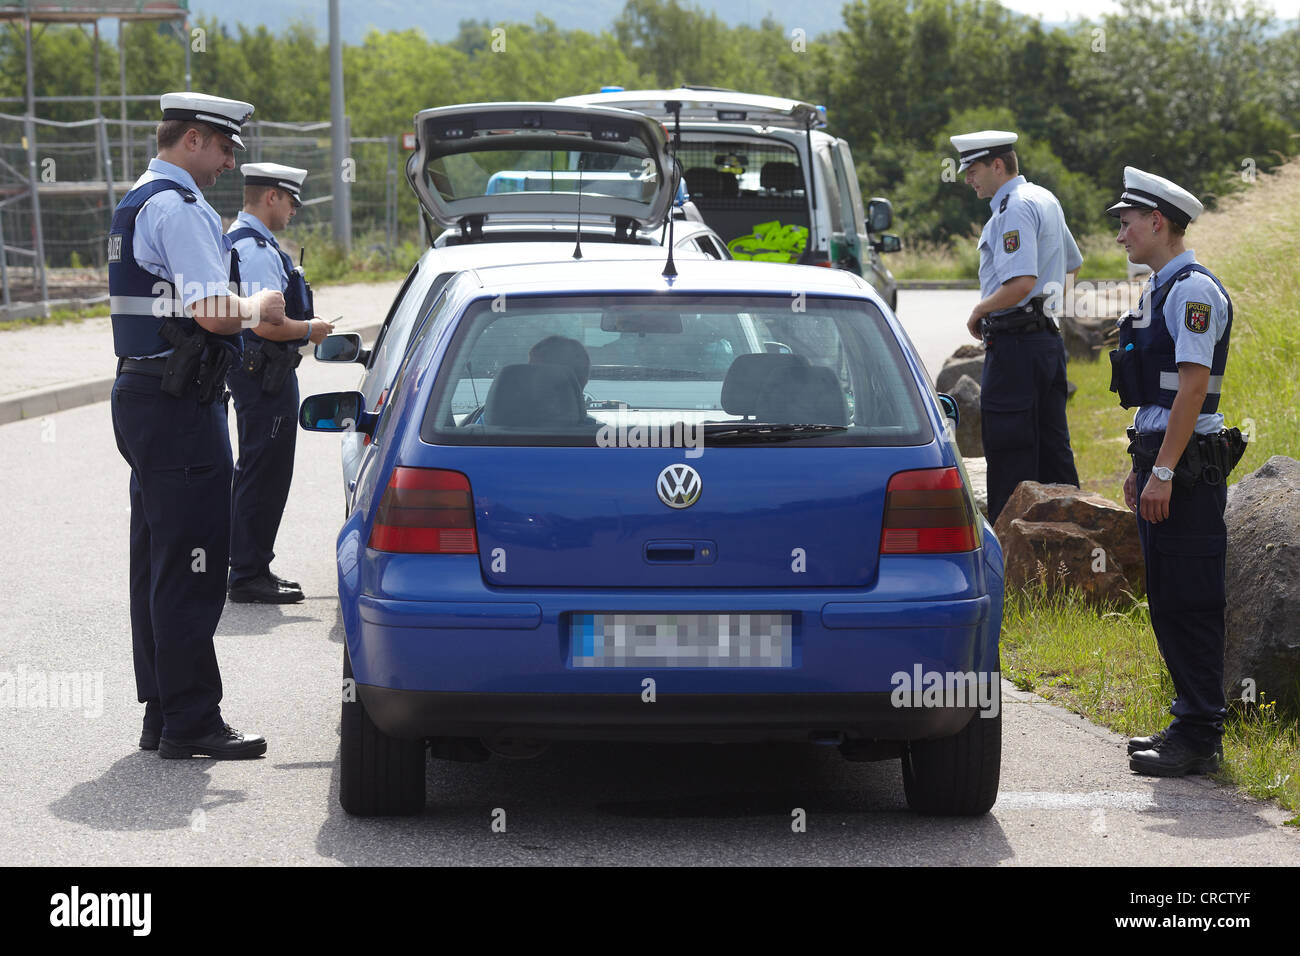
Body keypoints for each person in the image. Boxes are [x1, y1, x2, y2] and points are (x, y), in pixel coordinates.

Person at [108, 92, 286, 760]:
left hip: (147, 393)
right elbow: (212, 311)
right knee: (192, 562)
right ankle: (191, 719)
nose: (229, 163)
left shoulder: (137, 199)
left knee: (159, 558)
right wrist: (258, 305)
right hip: (179, 404)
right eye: (224, 147)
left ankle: (163, 711)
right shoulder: (178, 208)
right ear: (192, 140)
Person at [1107, 167, 1245, 777]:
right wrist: (1142, 466)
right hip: (1162, 456)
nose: (1121, 235)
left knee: (1191, 599)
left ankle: (1200, 737)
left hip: (1186, 468)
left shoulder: (1192, 292)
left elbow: (1191, 389)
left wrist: (1162, 472)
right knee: (1167, 598)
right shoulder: (1161, 288)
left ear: (1157, 221)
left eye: (1127, 222)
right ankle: (1188, 720)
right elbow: (1157, 397)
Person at [950, 130, 1082, 521]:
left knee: (1011, 453)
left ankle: (1012, 547)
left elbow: (1021, 283)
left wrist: (980, 310)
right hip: (1045, 341)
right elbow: (1073, 264)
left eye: (973, 170)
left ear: (997, 165)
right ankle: (1070, 536)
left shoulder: (1014, 208)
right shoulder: (1044, 197)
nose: (968, 179)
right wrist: (1048, 307)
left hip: (1015, 347)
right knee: (1053, 451)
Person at [225, 163, 334, 604]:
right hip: (264, 375)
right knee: (264, 472)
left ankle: (249, 565)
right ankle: (247, 573)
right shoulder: (255, 250)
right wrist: (310, 330)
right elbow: (265, 324)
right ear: (271, 196)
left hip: (260, 373)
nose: (294, 210)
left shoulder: (247, 242)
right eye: (291, 201)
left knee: (259, 469)